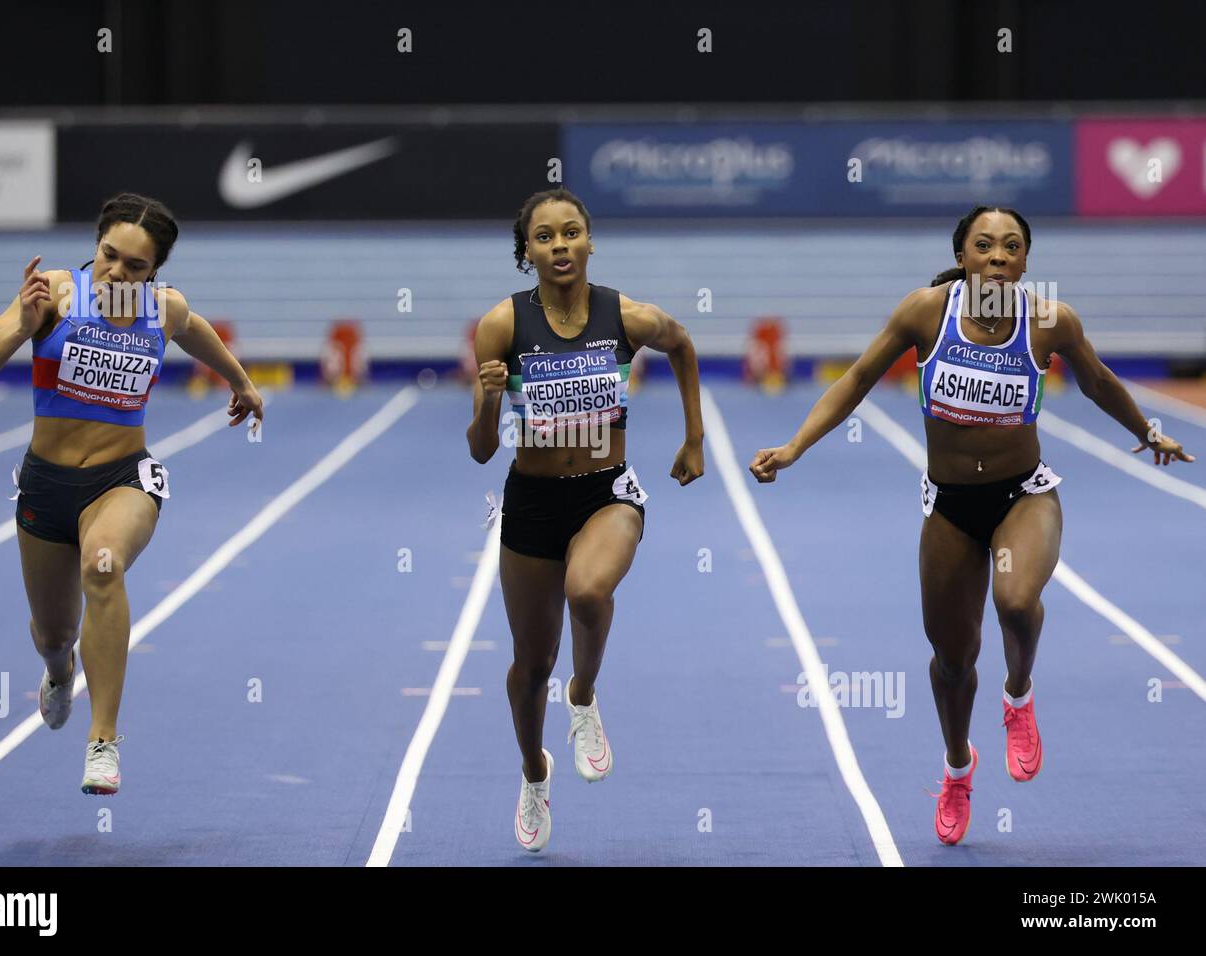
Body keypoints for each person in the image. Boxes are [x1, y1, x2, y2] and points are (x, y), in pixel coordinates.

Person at [749, 205, 1193, 845]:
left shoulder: (1049, 323)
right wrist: (794, 447)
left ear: (1025, 262)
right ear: (962, 256)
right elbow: (857, 380)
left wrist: (1149, 432)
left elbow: (1096, 382)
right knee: (952, 661)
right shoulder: (926, 312)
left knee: (1016, 601)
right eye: (984, 245)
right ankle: (959, 766)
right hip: (951, 506)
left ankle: (1018, 696)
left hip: (1023, 495)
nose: (998, 256)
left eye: (1011, 247)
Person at [0, 193, 264, 795]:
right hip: (47, 483)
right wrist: (22, 327)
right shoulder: (52, 294)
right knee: (53, 633)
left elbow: (195, 330)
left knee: (104, 565)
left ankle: (102, 741)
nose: (117, 274)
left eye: (135, 267)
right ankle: (56, 668)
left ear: (156, 273)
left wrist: (242, 382)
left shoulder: (162, 310)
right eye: (109, 256)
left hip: (121, 480)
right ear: (95, 245)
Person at [467, 188, 705, 851]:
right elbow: (482, 450)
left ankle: (584, 693)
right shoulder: (501, 328)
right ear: (528, 253)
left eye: (572, 232)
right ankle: (534, 771)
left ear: (591, 240)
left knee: (589, 590)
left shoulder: (626, 316)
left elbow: (683, 345)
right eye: (545, 237)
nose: (561, 245)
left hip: (607, 492)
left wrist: (695, 438)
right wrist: (488, 403)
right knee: (527, 665)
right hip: (532, 502)